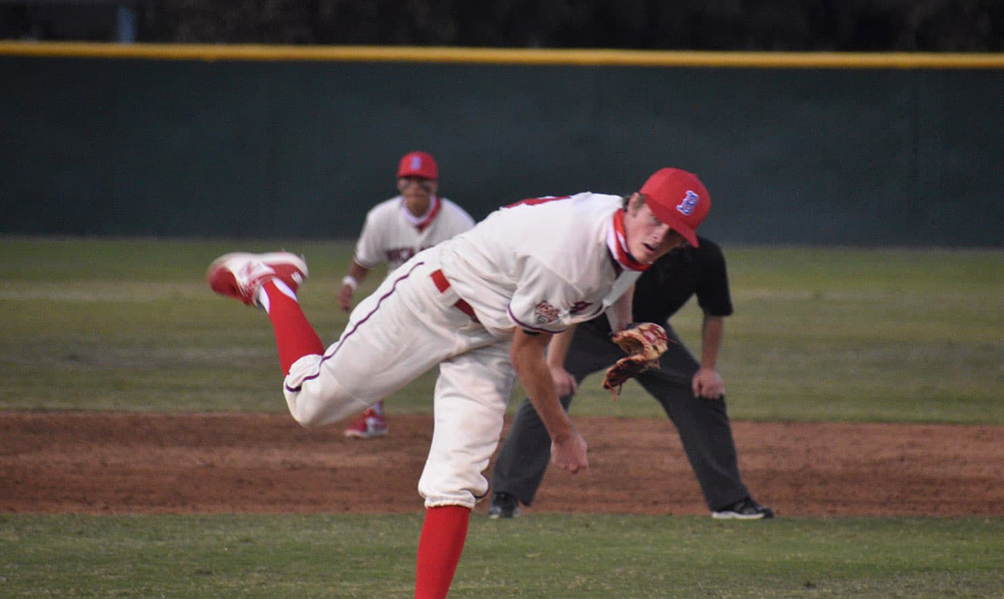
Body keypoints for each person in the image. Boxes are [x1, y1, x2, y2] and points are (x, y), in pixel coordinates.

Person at [205, 167, 710, 599]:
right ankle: (273, 284)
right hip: (431, 303)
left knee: (457, 480)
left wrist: (623, 327)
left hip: (493, 334)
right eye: (657, 221)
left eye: (674, 234)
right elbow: (528, 354)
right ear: (636, 203)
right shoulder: (568, 260)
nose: (660, 237)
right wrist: (563, 435)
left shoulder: (626, 229)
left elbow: (623, 273)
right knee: (309, 403)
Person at [488, 234, 774, 521]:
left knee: (698, 392)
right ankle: (506, 495)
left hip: (646, 333)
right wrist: (556, 366)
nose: (668, 233)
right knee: (548, 390)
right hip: (588, 326)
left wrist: (708, 369)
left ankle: (729, 501)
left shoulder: (705, 255)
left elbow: (715, 313)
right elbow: (573, 307)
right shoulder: (631, 246)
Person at [337, 150, 475, 439]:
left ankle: (463, 426)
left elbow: (476, 267)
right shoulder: (381, 217)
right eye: (408, 180)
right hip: (398, 299)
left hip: (446, 302)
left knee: (460, 363)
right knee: (373, 352)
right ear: (399, 184)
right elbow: (364, 261)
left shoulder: (458, 221)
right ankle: (373, 416)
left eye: (421, 180)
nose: (414, 187)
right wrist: (350, 283)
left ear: (433, 185)